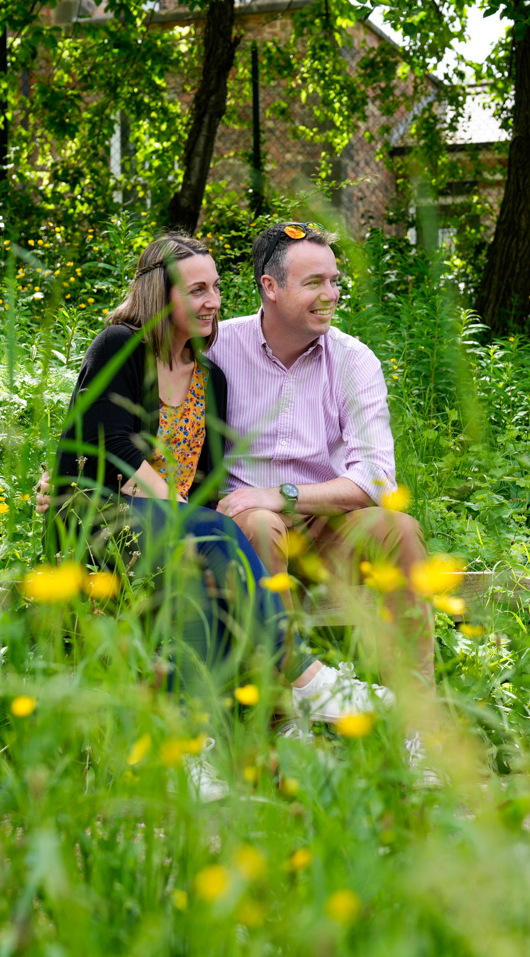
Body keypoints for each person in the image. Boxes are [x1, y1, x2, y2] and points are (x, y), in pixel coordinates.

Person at [34, 233, 394, 799]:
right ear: (161, 294)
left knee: (199, 579)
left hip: (172, 528)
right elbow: (108, 444)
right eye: (197, 290)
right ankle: (305, 679)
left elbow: (205, 482)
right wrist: (180, 513)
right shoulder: (120, 346)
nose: (214, 301)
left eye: (217, 288)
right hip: (94, 519)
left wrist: (187, 519)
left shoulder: (210, 378)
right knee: (213, 536)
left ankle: (197, 753)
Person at [208, 223, 435, 708]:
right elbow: (148, 420)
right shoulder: (217, 349)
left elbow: (376, 479)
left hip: (327, 525)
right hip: (246, 528)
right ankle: (285, 713)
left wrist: (284, 494)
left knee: (402, 531)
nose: (330, 294)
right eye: (315, 283)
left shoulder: (353, 360)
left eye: (334, 281)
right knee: (261, 522)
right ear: (270, 287)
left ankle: (420, 720)